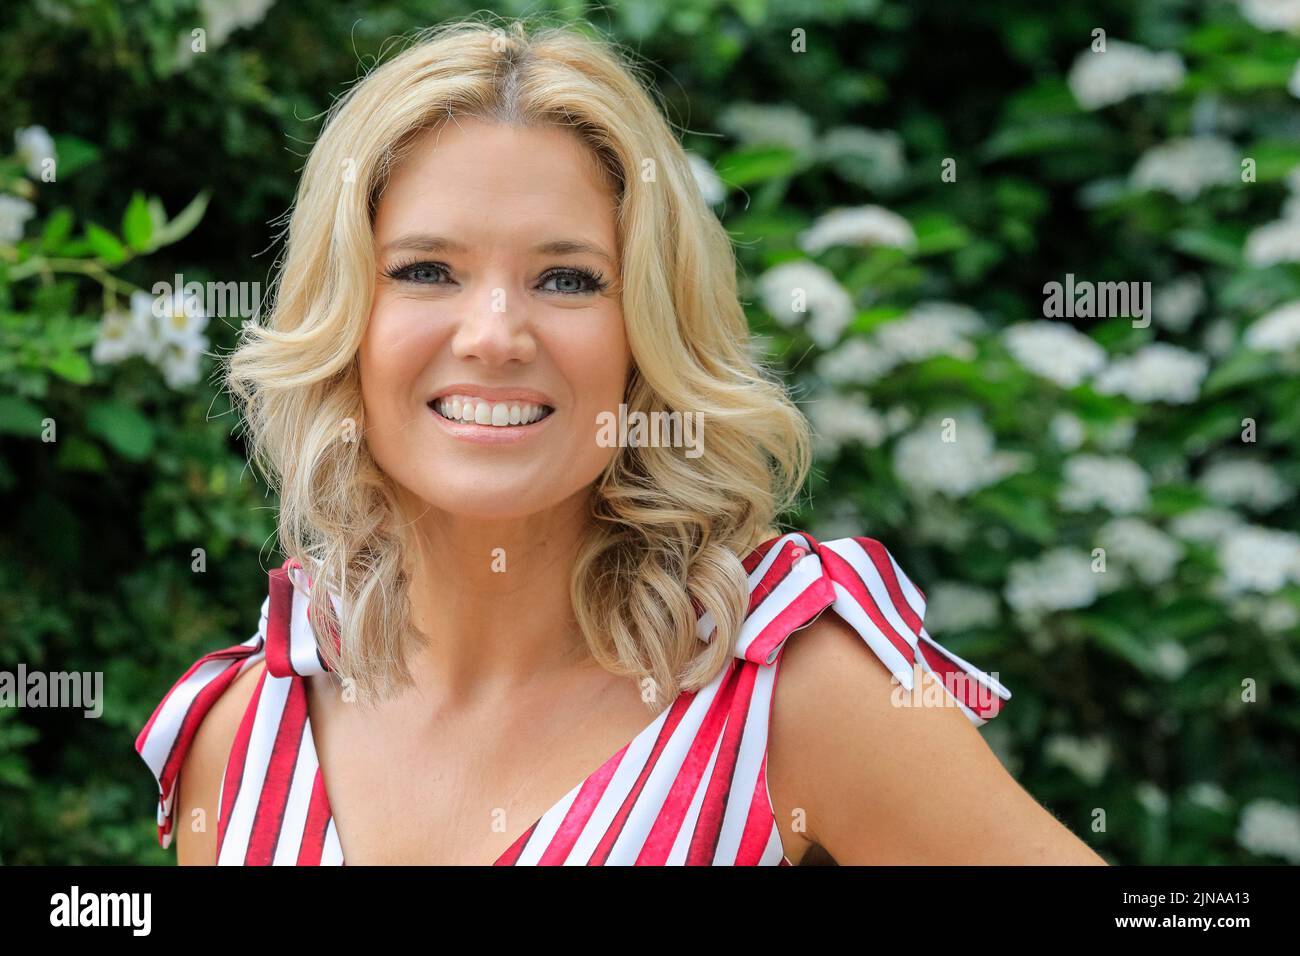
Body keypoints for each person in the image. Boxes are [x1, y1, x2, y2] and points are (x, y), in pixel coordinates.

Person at [135, 16, 1105, 866]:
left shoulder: (784, 690)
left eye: (568, 280)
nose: (494, 334)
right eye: (427, 269)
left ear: (647, 336)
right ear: (345, 317)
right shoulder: (244, 734)